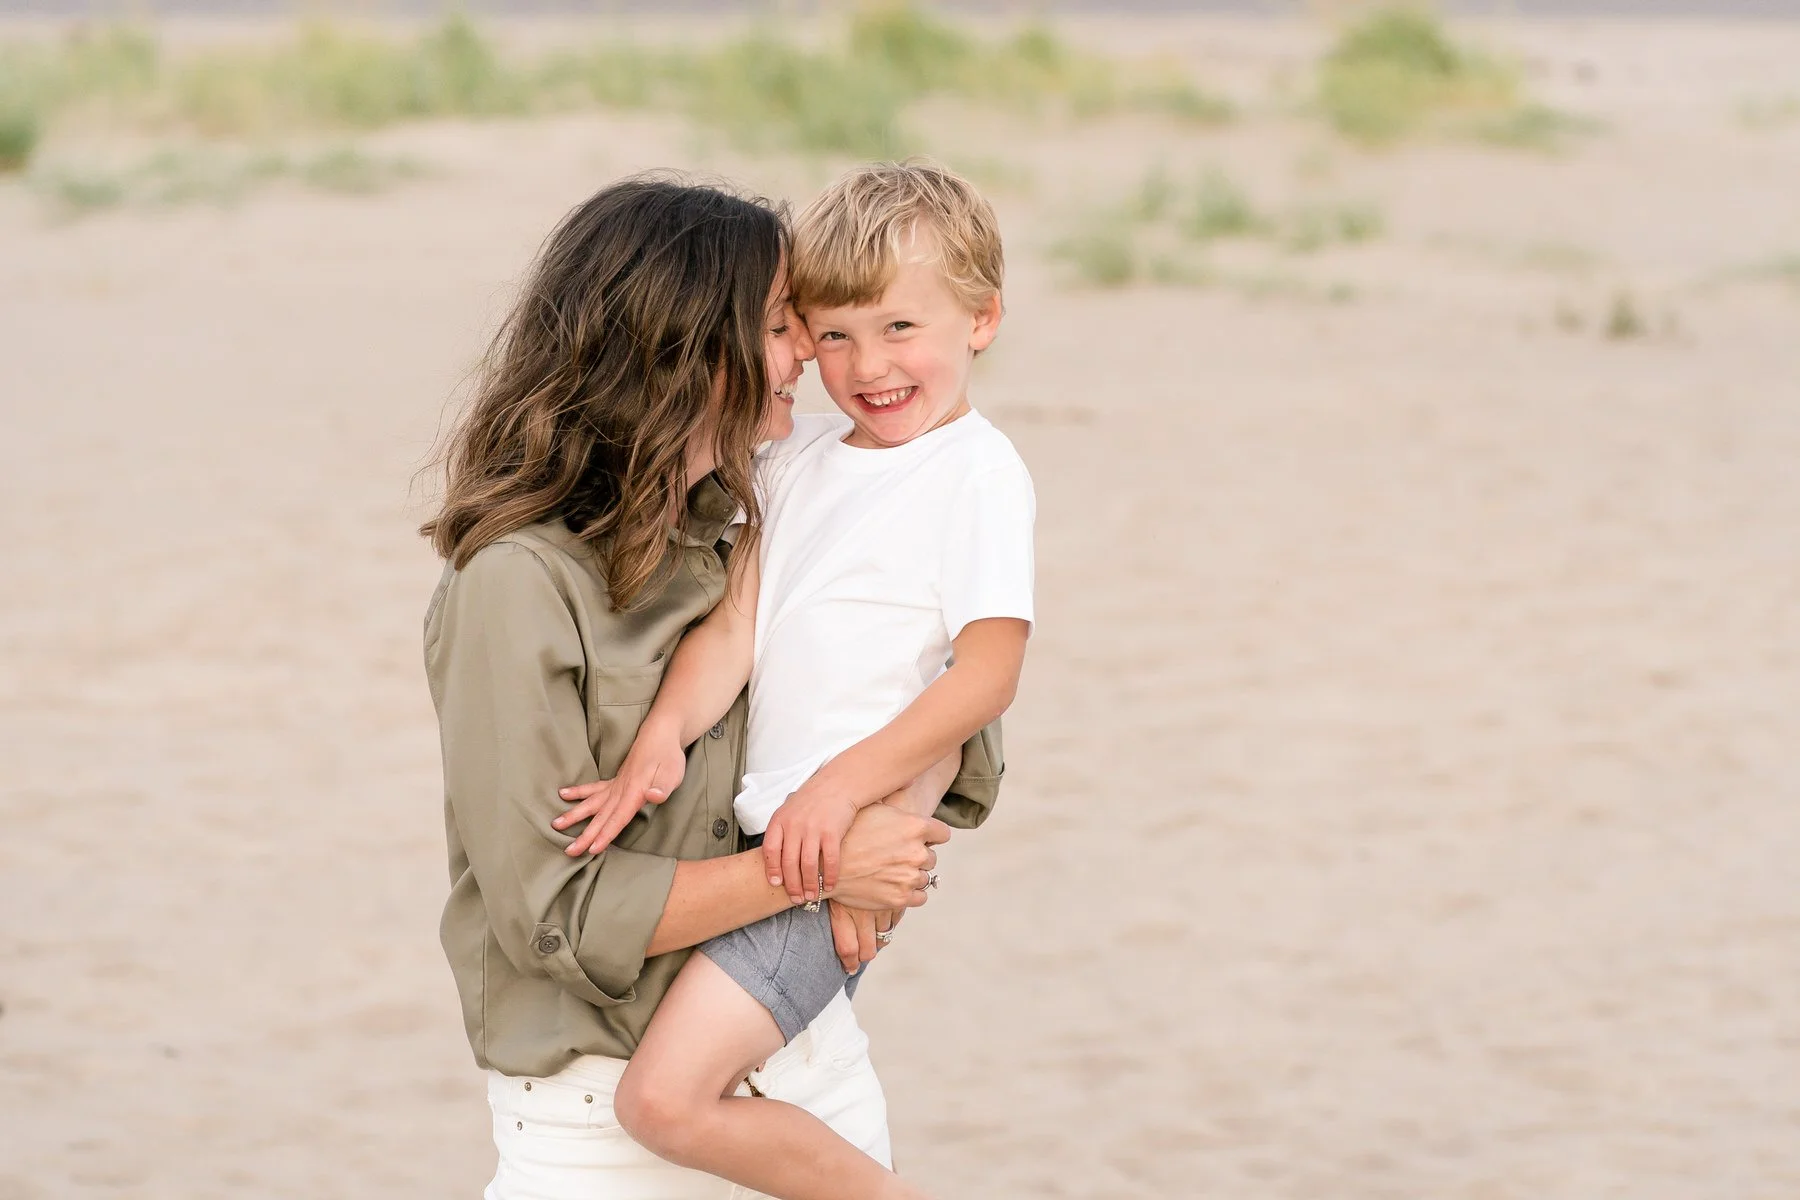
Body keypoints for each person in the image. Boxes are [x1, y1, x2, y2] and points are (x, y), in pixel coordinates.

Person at [420, 175, 1005, 1199]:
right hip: (601, 1137)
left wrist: (886, 800)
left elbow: (961, 731)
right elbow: (553, 914)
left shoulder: (749, 526)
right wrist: (822, 868)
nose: (812, 359)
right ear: (688, 345)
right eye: (788, 326)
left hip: (812, 1086)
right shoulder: (515, 586)